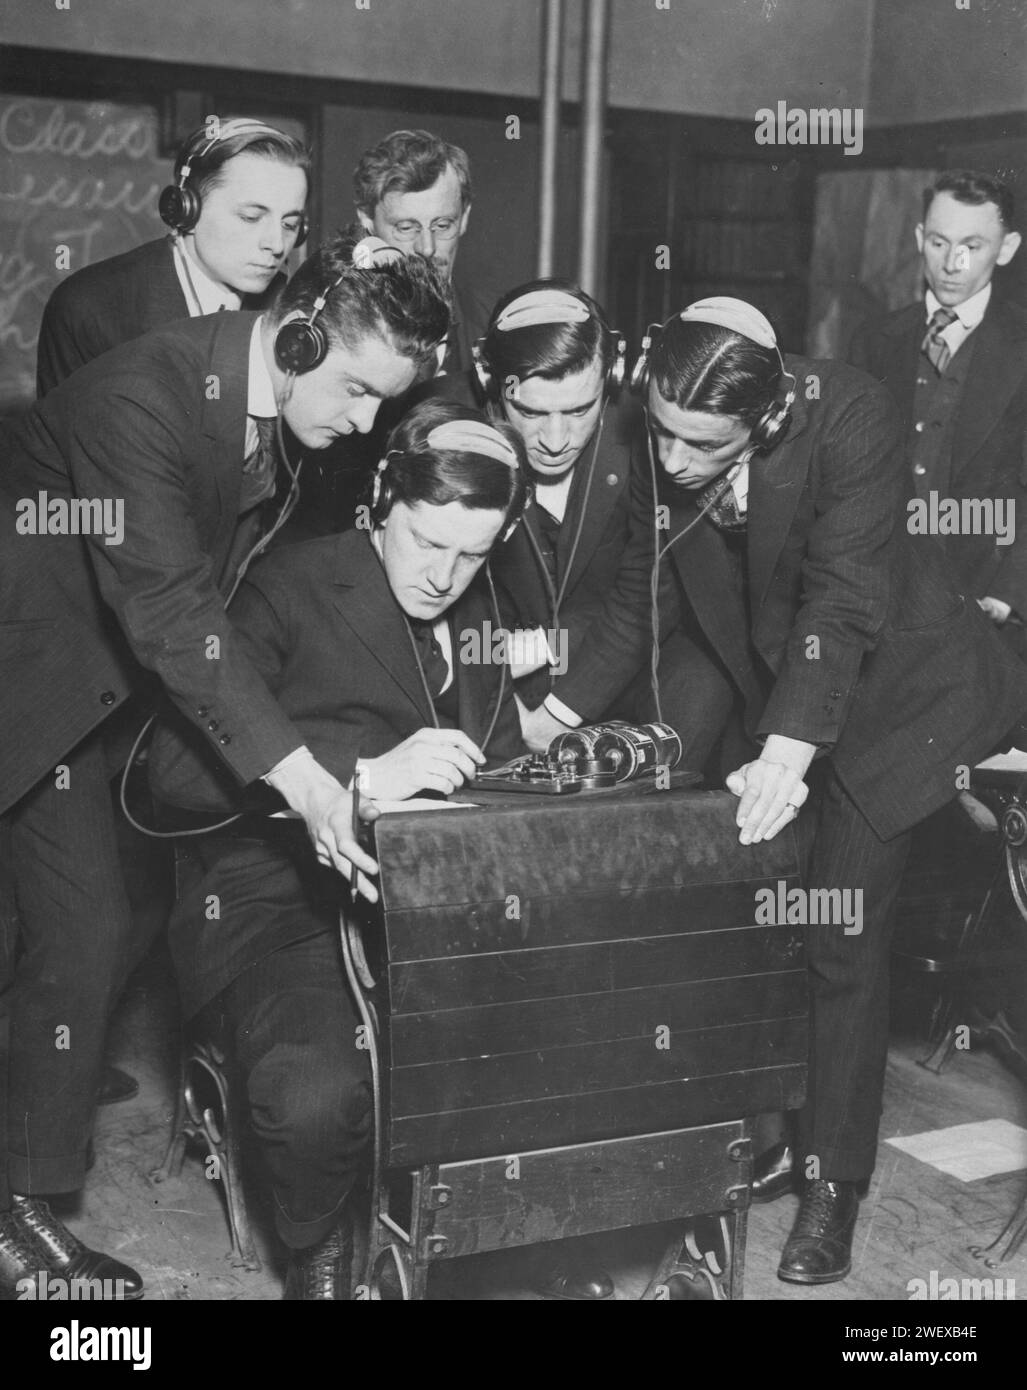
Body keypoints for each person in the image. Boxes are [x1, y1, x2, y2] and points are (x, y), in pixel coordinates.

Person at [0, 233, 449, 1300]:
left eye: (384, 404)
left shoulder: (275, 404)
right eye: (351, 388)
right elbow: (173, 610)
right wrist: (308, 784)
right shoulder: (143, 394)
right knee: (82, 928)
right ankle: (20, 1217)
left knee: (107, 928)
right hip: (29, 681)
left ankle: (21, 1189)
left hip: (108, 699)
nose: (360, 421)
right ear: (295, 340)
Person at [636, 297, 1027, 1285]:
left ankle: (831, 1183)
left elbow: (843, 596)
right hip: (784, 696)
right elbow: (641, 591)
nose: (672, 460)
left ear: (762, 420)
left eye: (697, 444)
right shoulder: (670, 422)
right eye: (660, 432)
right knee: (751, 918)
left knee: (840, 935)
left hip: (900, 705)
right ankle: (770, 1127)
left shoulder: (850, 413)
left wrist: (787, 747)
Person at [148, 400, 529, 1298]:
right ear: (381, 505)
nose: (444, 575)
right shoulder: (288, 583)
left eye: (472, 554)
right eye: (426, 542)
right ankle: (322, 1251)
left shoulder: (482, 607)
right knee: (315, 1100)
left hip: (438, 904)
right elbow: (171, 774)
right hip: (279, 904)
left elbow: (500, 759)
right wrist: (356, 780)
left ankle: (516, 1233)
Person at [476, 281, 660, 763]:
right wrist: (496, 680)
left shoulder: (652, 439)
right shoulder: (454, 437)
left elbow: (651, 595)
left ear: (613, 378)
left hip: (631, 692)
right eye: (531, 412)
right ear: (491, 386)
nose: (556, 439)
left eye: (579, 409)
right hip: (495, 700)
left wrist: (542, 646)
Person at [850, 170, 1027, 654]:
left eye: (973, 244)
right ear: (918, 239)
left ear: (1007, 248)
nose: (953, 263)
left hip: (986, 603)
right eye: (939, 242)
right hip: (880, 597)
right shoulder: (873, 340)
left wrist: (1010, 597)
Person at [36, 116, 311, 396]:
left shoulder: (294, 310)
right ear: (185, 209)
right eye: (251, 217)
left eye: (290, 225)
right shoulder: (88, 307)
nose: (277, 244)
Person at [355, 128, 496, 376]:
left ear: (464, 218)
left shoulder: (494, 327)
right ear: (367, 222)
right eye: (406, 228)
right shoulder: (341, 329)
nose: (427, 248)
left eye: (442, 226)